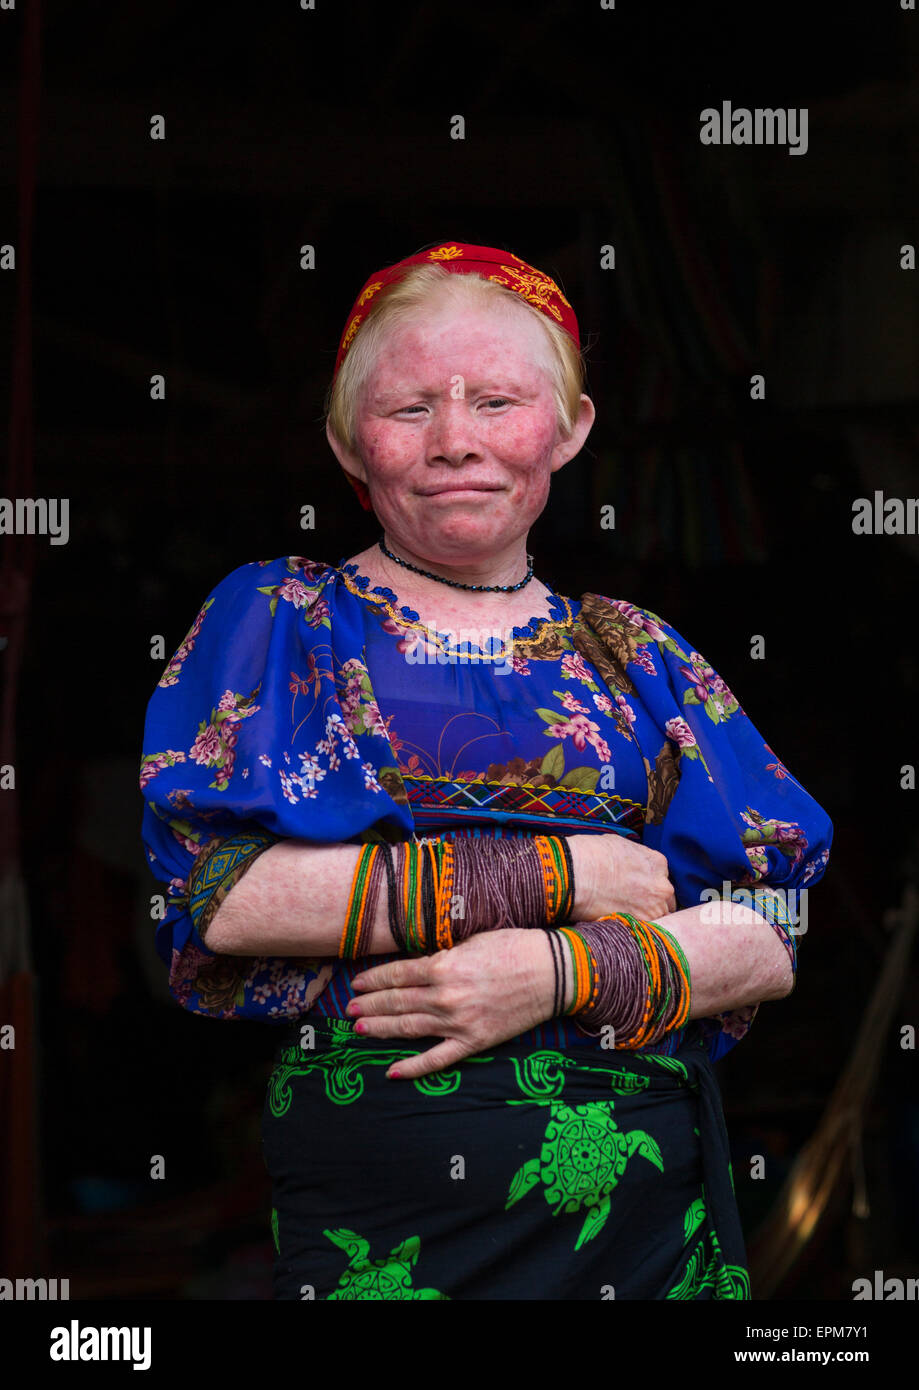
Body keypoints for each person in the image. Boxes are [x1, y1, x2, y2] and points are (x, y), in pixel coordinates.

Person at [139, 241, 832, 1300]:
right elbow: (219, 892)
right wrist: (560, 878)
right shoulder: (283, 622)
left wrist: (553, 974)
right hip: (384, 1225)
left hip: (635, 1230)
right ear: (345, 443)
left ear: (570, 429)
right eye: (410, 408)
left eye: (498, 401)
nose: (456, 441)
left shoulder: (638, 656)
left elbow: (769, 928)